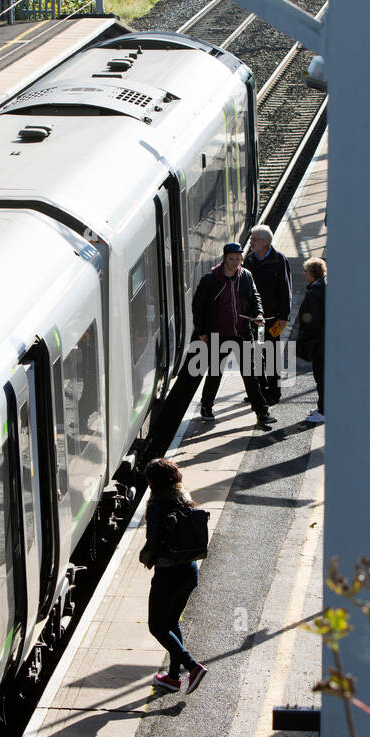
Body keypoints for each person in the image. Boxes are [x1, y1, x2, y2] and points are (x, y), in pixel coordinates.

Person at [139, 458, 208, 694]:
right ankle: (173, 677)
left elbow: (153, 541)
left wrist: (145, 557)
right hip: (190, 570)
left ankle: (192, 666)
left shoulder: (156, 504)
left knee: (156, 627)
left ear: (153, 482)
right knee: (171, 622)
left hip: (168, 575)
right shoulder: (184, 496)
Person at [191, 241, 276, 429]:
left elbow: (255, 297)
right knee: (215, 372)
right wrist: (202, 332)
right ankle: (206, 405)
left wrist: (259, 314)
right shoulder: (210, 280)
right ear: (224, 258)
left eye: (238, 259)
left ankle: (262, 412)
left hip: (243, 332)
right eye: (232, 259)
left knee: (250, 374)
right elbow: (198, 307)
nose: (235, 262)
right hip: (218, 334)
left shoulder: (246, 276)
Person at [244, 224, 293, 406]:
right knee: (256, 355)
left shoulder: (279, 260)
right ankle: (259, 390)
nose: (251, 242)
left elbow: (285, 289)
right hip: (254, 319)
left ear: (265, 242)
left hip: (272, 319)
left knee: (271, 357)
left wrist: (283, 317)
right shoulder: (249, 261)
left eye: (254, 239)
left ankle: (274, 392)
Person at [297, 256, 326, 425]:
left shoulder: (314, 290)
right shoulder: (324, 286)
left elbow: (312, 319)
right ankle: (322, 407)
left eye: (305, 271)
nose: (304, 273)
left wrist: (305, 338)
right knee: (323, 376)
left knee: (321, 376)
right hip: (325, 339)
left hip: (319, 342)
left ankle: (323, 411)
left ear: (312, 272)